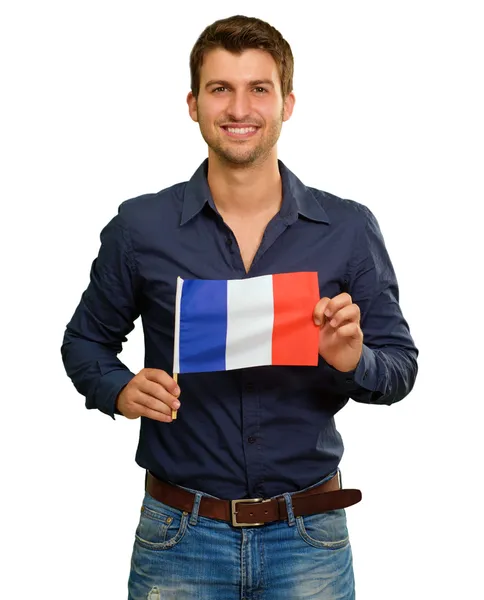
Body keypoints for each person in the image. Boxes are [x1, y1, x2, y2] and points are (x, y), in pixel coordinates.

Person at [61, 14, 418, 600]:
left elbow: (400, 369)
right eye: (220, 88)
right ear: (193, 103)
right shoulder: (140, 227)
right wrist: (117, 390)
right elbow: (84, 343)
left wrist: (353, 360)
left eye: (259, 88)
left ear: (288, 102)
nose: (239, 108)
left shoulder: (348, 229)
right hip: (180, 536)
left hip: (310, 536)